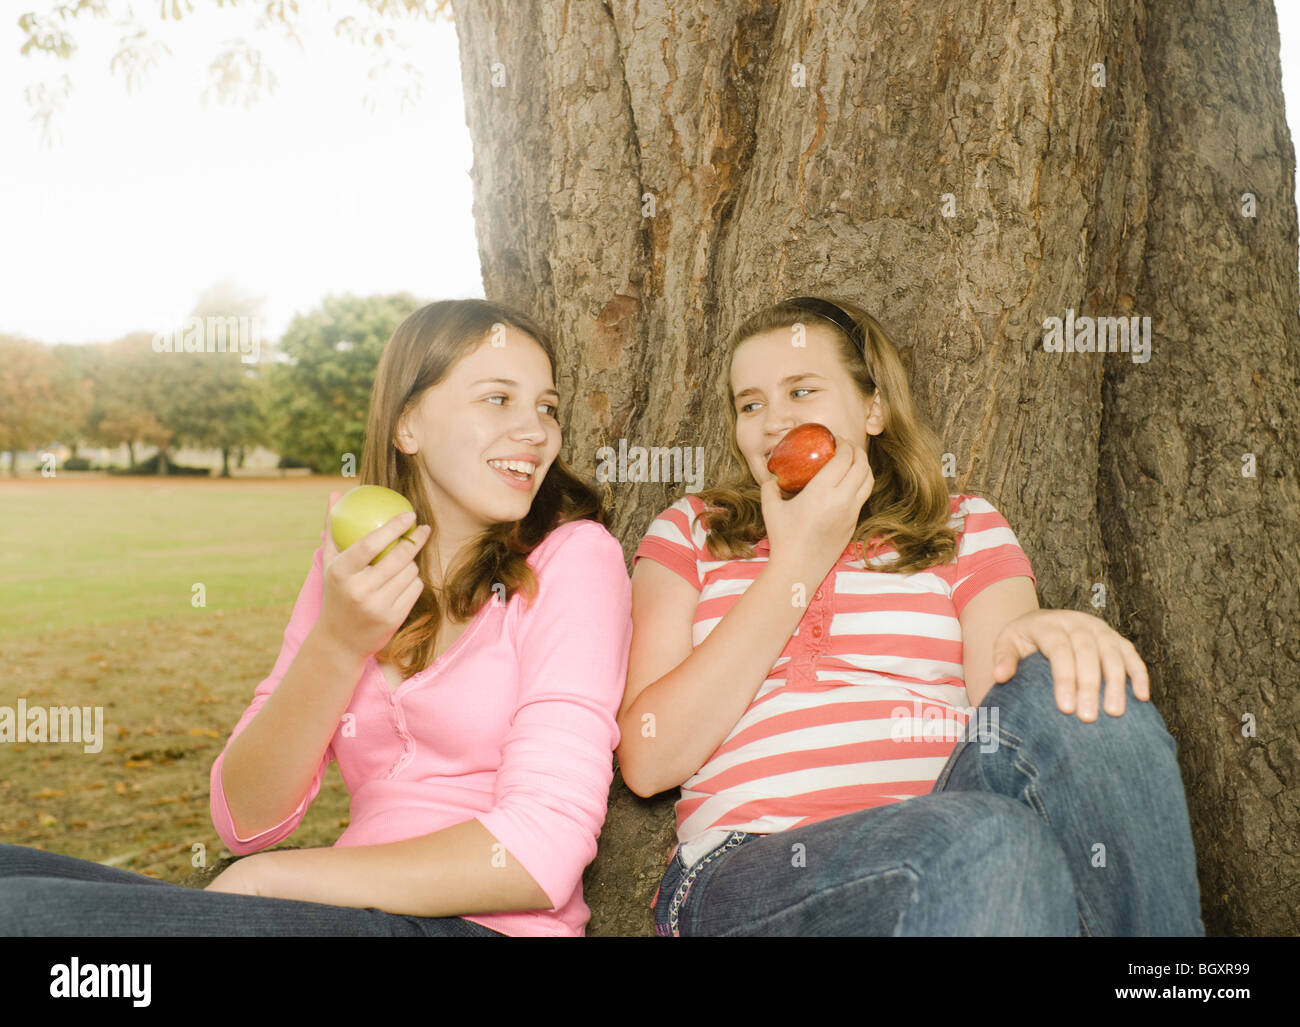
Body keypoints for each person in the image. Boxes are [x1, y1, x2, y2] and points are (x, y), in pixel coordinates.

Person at [0, 298, 632, 937]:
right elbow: (246, 818)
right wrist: (338, 642)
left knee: (20, 916)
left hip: (481, 927)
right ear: (406, 423)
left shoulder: (574, 559)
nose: (534, 431)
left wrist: (268, 880)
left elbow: (541, 848)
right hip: (334, 911)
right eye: (497, 399)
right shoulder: (353, 566)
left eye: (546, 408)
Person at [618, 295, 1204, 937]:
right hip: (751, 867)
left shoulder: (963, 525)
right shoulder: (694, 531)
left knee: (1078, 684)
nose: (772, 421)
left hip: (965, 836)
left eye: (801, 391)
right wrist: (797, 561)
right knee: (983, 834)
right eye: (750, 404)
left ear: (873, 408)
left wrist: (1054, 635)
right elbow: (648, 761)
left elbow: (1016, 722)